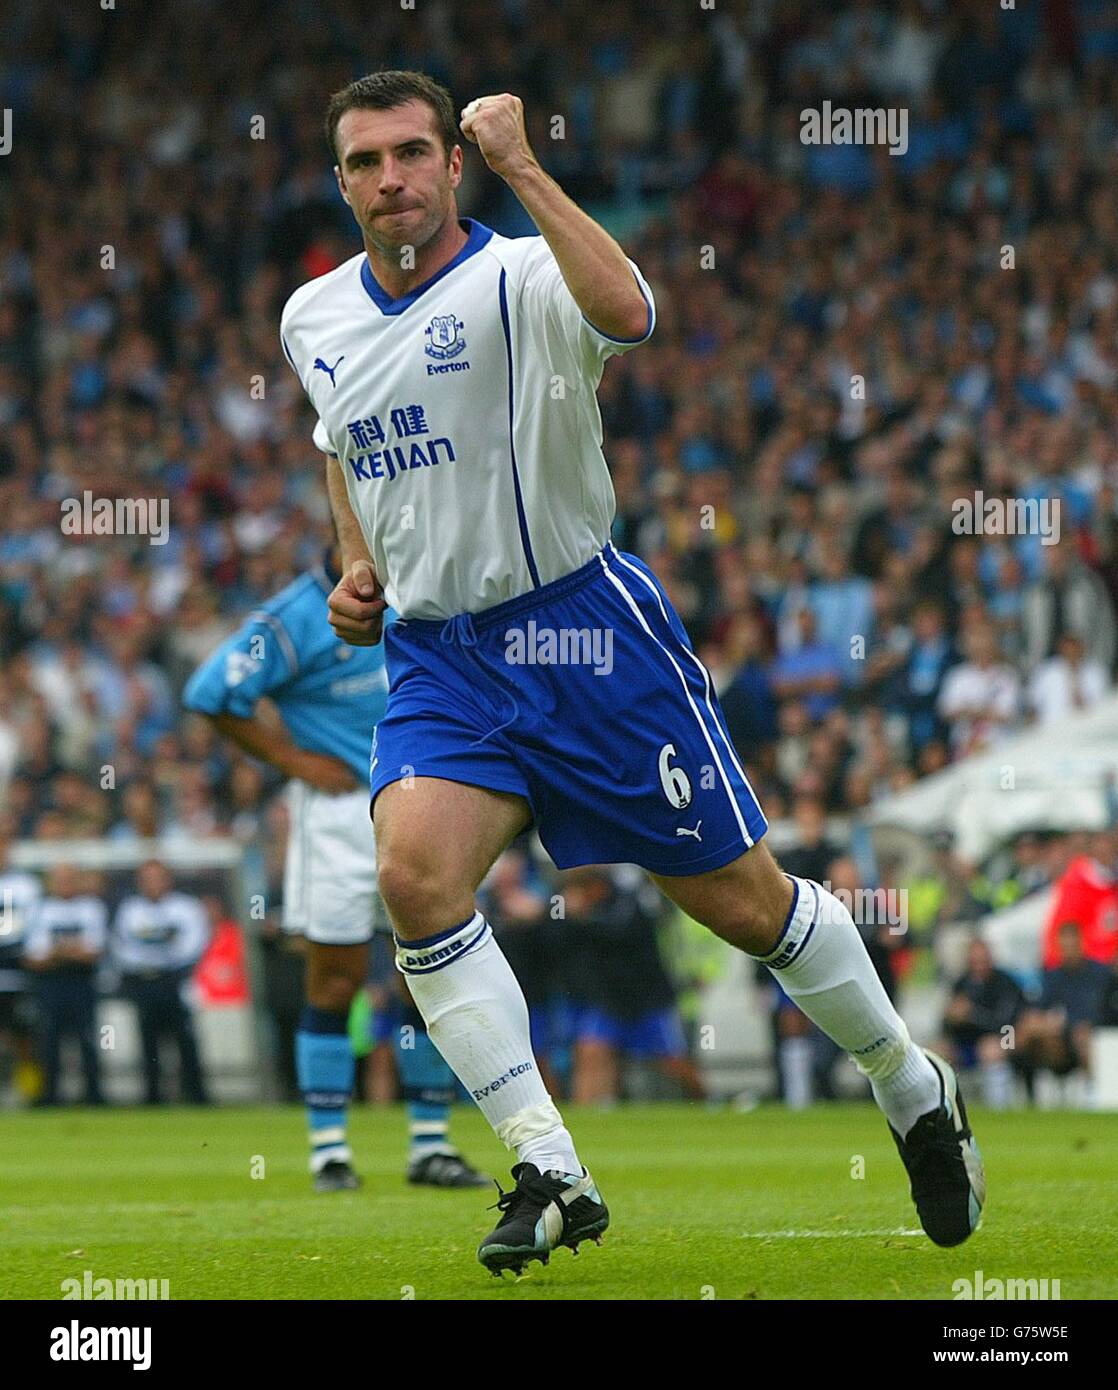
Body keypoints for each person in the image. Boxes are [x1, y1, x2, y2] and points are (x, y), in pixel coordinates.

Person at [289, 70, 983, 1275]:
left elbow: (633, 311)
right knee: (411, 875)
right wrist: (354, 562)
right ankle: (550, 1168)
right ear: (340, 178)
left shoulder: (516, 271)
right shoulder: (311, 319)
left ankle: (905, 1080)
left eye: (412, 153)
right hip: (440, 657)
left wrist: (523, 166)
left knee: (741, 906)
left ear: (449, 165)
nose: (390, 179)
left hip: (583, 634)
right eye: (364, 161)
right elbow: (341, 447)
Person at [184, 546, 485, 1190]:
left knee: (430, 979)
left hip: (424, 804)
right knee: (335, 979)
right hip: (342, 816)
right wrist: (296, 762)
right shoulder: (295, 616)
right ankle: (329, 1154)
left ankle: (429, 1147)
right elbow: (210, 692)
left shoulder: (426, 582)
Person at [562, 865, 703, 1104]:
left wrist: (582, 919)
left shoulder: (627, 900)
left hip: (647, 997)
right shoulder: (582, 913)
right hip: (609, 999)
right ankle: (589, 1114)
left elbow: (620, 931)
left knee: (673, 1061)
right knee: (591, 1051)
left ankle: (706, 1100)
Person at [113, 860, 210, 1105]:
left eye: (158, 878)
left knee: (186, 1039)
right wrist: (155, 955)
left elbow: (195, 944)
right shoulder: (130, 909)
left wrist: (159, 956)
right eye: (148, 878)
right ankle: (153, 1096)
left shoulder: (186, 907)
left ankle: (196, 1095)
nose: (153, 884)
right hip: (143, 981)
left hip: (176, 980)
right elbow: (122, 947)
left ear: (168, 880)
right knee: (148, 1041)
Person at [22, 864, 107, 1106]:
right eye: (60, 880)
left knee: (90, 1039)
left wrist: (57, 950)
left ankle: (94, 1094)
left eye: (70, 879)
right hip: (51, 983)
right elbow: (33, 957)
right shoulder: (39, 909)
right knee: (49, 1040)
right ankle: (49, 1095)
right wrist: (72, 949)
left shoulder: (92, 908)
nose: (65, 884)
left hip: (83, 982)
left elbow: (95, 951)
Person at [1017, 922, 1111, 1088]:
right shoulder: (1053, 976)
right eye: (1064, 947)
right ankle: (1023, 1081)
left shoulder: (1101, 974)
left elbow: (1106, 1008)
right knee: (1025, 1027)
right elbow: (1040, 1007)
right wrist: (1043, 1021)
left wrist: (1068, 1022)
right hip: (1060, 1034)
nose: (1068, 952)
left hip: (1094, 1031)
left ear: (1081, 943)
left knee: (1081, 1036)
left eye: (1072, 946)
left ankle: (1092, 1090)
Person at [941, 938, 1026, 1109]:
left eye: (983, 961)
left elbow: (1005, 1023)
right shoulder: (961, 983)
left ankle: (998, 1109)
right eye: (975, 961)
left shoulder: (1005, 983)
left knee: (991, 1049)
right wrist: (951, 1018)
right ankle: (944, 1110)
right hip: (966, 1042)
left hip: (1006, 1039)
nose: (979, 966)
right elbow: (945, 1024)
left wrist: (971, 1014)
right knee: (936, 1051)